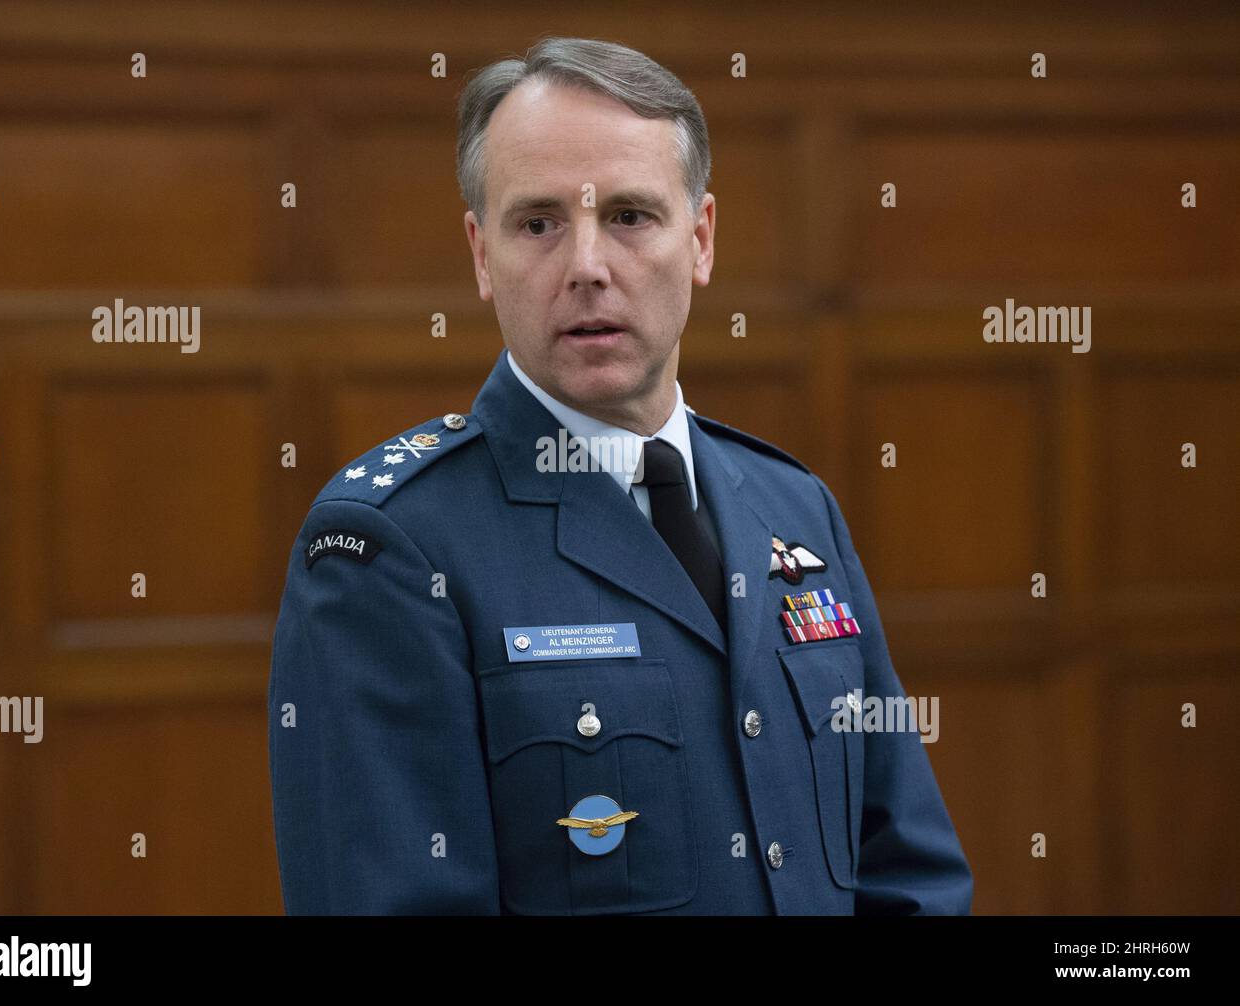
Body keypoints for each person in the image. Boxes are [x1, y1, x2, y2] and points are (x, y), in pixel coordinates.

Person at [267, 36, 973, 915]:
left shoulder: (795, 509)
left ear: (701, 240)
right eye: (539, 224)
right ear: (482, 255)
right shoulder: (391, 548)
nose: (588, 268)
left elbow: (908, 872)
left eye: (631, 216)